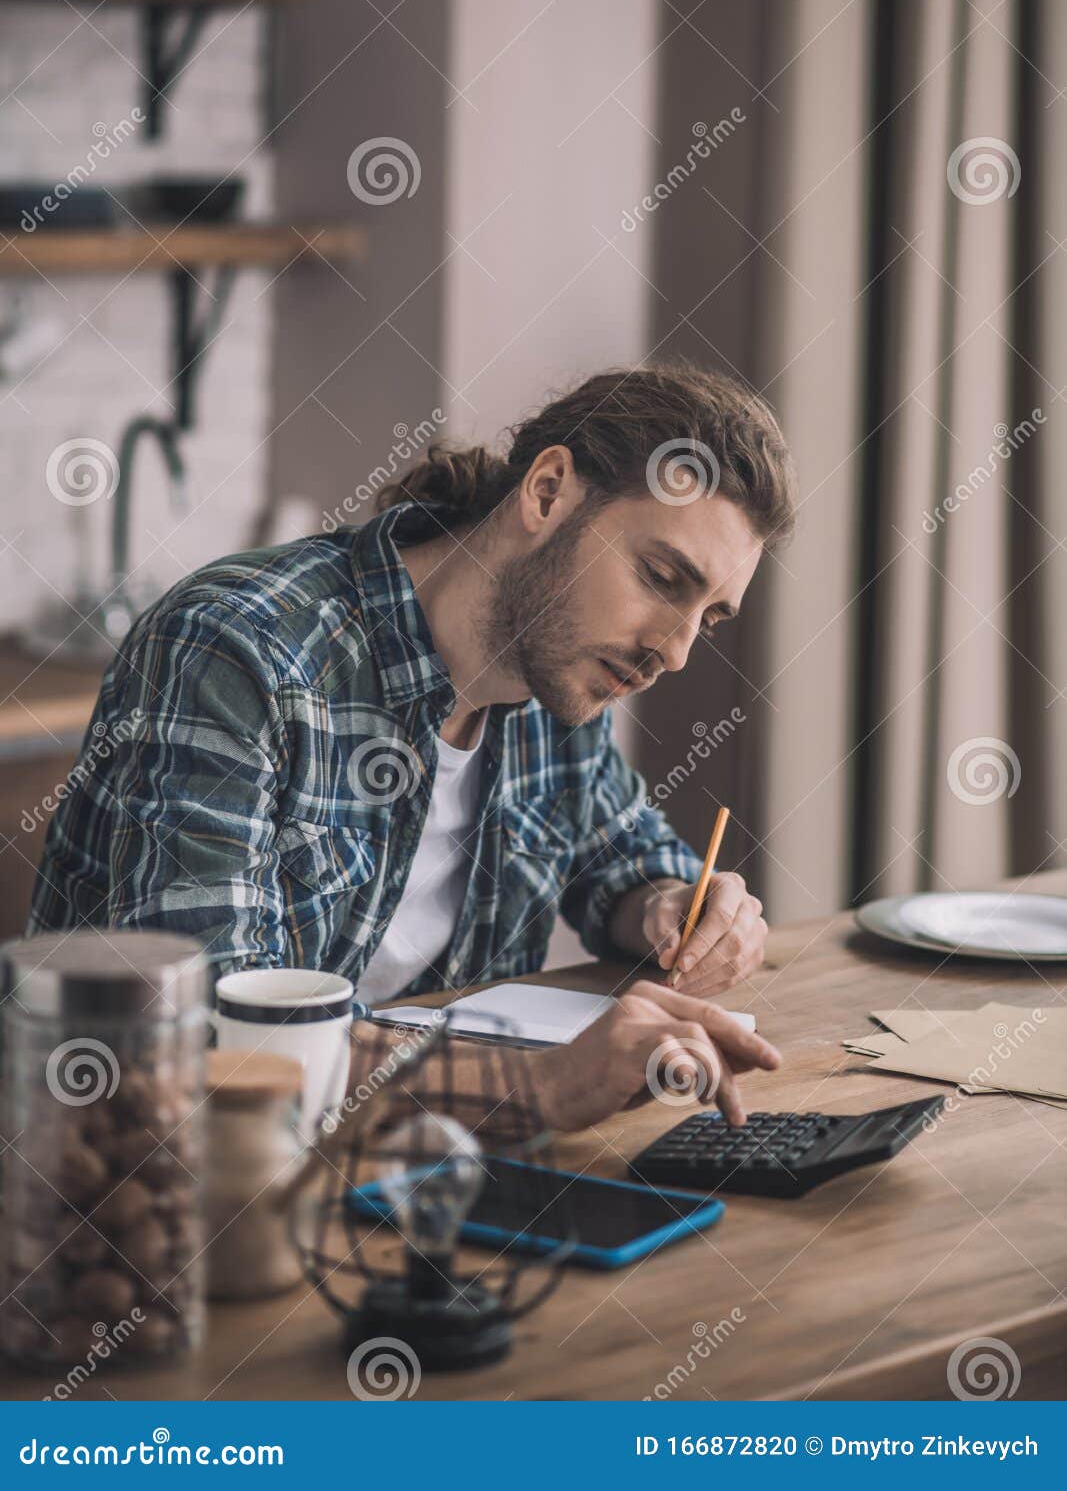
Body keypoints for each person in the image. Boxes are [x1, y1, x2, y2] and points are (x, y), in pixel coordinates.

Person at [28, 361, 797, 1128]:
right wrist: (535, 1087)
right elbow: (206, 1037)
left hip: (415, 1172)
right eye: (662, 577)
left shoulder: (557, 685)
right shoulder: (237, 650)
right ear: (547, 493)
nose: (676, 649)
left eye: (711, 617)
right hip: (152, 1192)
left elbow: (626, 863)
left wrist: (675, 909)